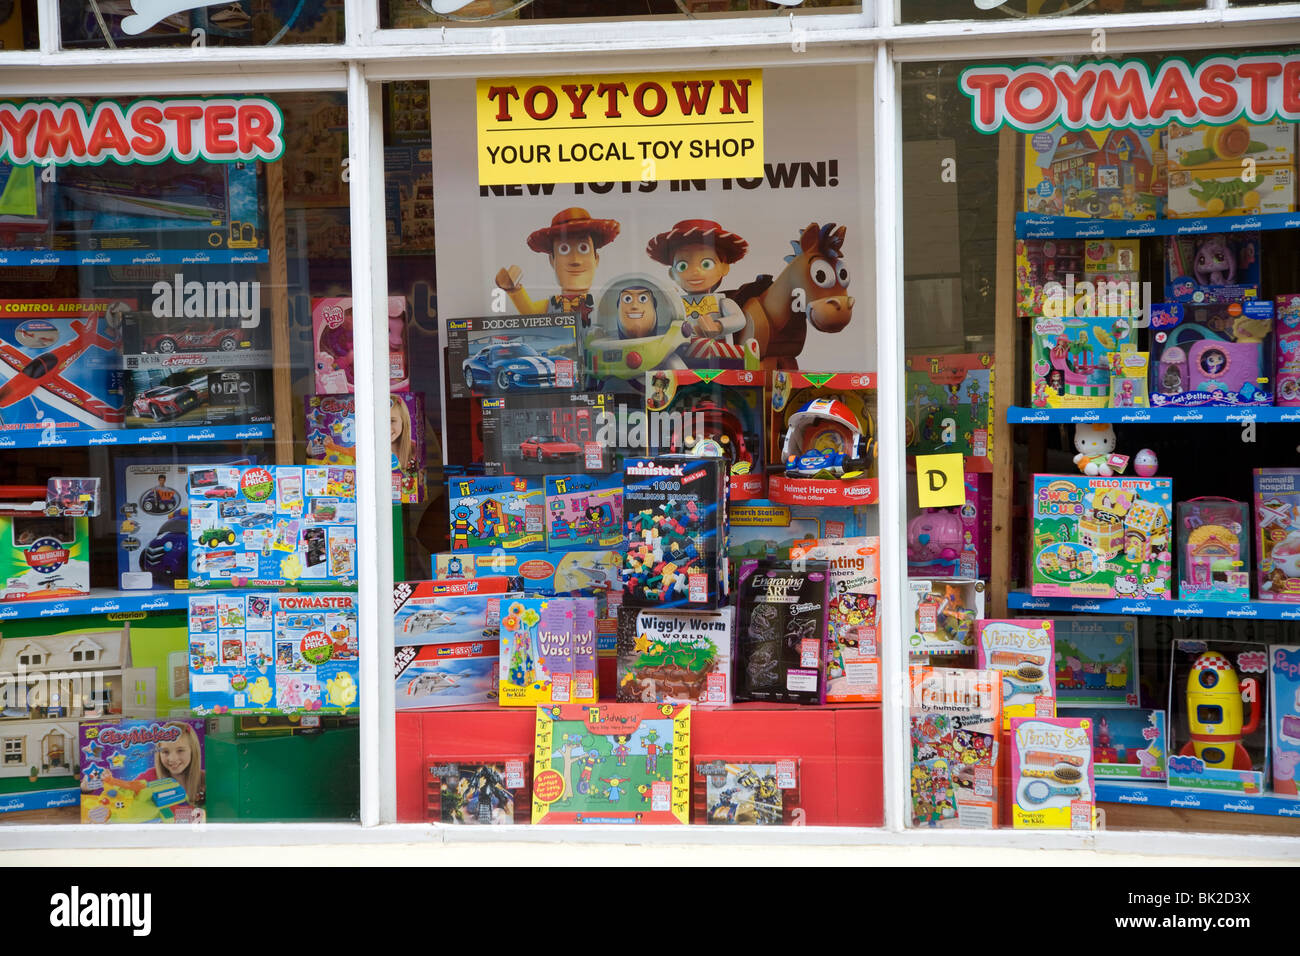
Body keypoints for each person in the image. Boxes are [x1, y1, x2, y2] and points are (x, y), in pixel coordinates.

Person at [495, 207, 620, 327]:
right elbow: (529, 312)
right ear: (552, 260)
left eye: (583, 248)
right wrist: (514, 290)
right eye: (564, 249)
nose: (575, 260)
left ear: (596, 259)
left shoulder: (601, 307)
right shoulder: (550, 306)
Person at [142, 721, 205, 811]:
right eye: (165, 752)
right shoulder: (148, 778)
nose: (172, 759)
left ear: (192, 751)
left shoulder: (205, 780)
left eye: (180, 750)